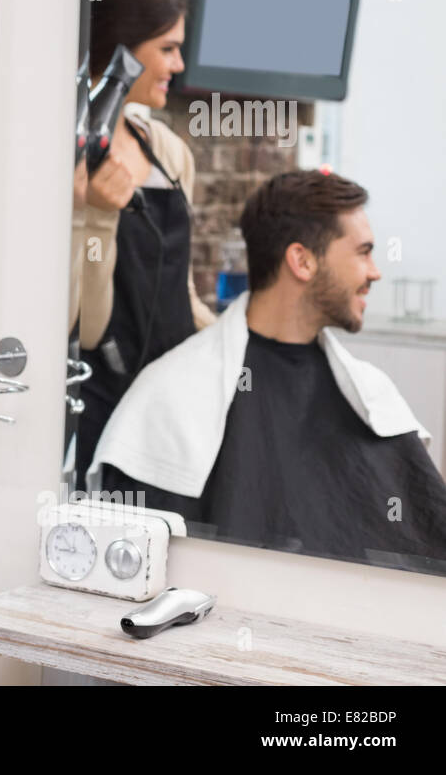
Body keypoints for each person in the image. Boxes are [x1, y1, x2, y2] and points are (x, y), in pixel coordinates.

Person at [85, 171, 446, 572]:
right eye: (363, 252)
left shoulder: (372, 393)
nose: (375, 272)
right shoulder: (174, 394)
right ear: (302, 261)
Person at [68, 0, 216, 490]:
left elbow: (177, 287)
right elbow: (85, 327)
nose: (179, 64)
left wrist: (223, 340)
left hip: (171, 397)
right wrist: (97, 214)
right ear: (123, 50)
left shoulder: (170, 152)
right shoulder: (71, 153)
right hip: (104, 398)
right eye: (168, 48)